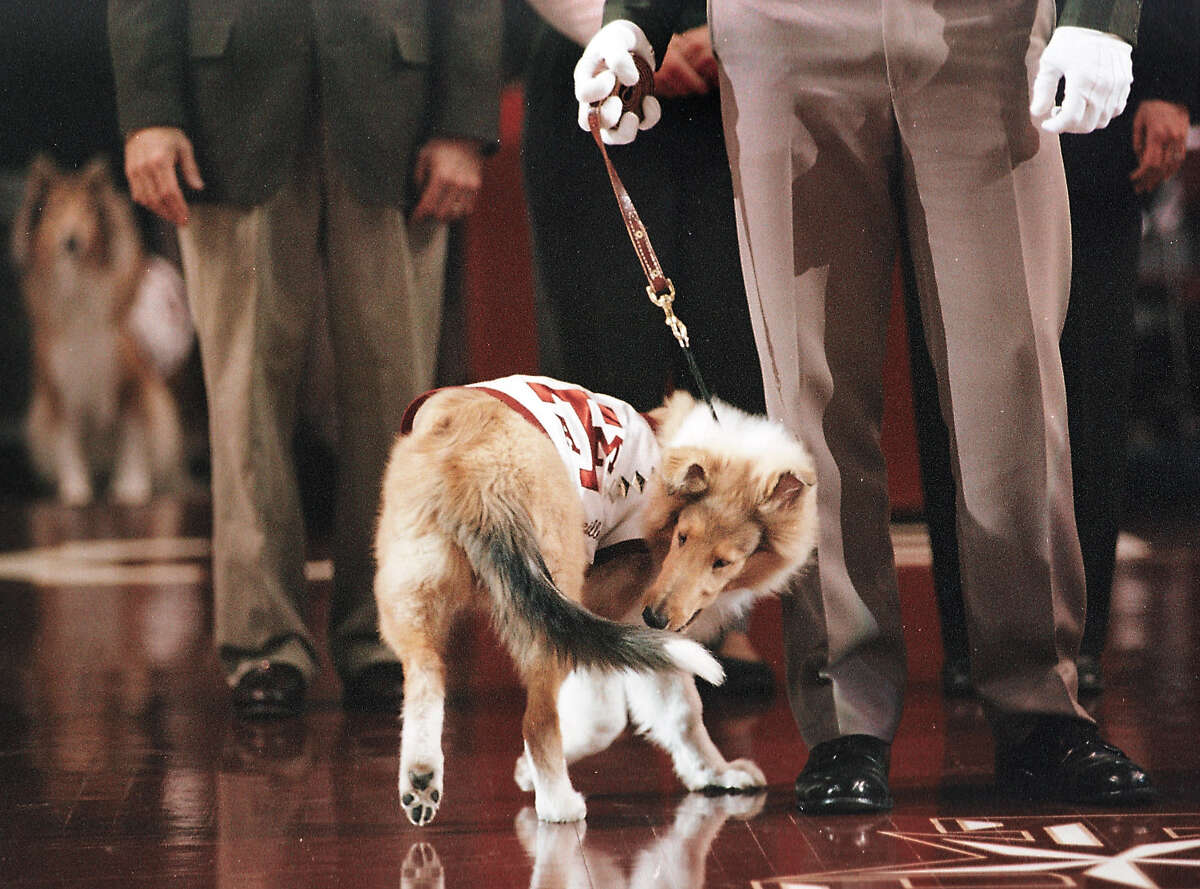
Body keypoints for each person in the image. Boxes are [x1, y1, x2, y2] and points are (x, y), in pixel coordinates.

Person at [574, 0, 1155, 810]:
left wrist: (1102, 14)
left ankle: (1039, 704)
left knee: (1013, 388)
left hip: (983, 30)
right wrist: (636, 15)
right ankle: (844, 713)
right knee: (807, 397)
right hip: (783, 30)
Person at [108, 0, 502, 719]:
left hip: (398, 101)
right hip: (224, 101)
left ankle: (390, 631)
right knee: (242, 394)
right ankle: (262, 639)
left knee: (399, 399)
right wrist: (148, 110)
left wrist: (463, 120)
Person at [907, 0, 1199, 699]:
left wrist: (1167, 82)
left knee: (1087, 379)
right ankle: (968, 637)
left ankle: (1079, 634)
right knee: (951, 372)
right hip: (952, 74)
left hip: (1098, 100)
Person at [521, 0, 773, 695]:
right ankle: (599, 622)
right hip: (593, 80)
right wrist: (633, 39)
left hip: (738, 81)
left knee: (734, 369)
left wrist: (727, 34)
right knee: (601, 378)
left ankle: (722, 623)